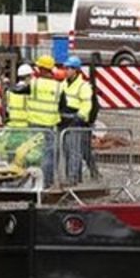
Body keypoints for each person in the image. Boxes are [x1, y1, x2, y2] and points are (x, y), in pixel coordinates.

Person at [26, 55, 61, 187]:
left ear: (41, 68)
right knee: (49, 154)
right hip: (50, 125)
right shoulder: (58, 86)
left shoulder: (33, 83)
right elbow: (63, 104)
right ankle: (47, 182)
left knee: (34, 153)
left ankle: (32, 182)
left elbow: (18, 90)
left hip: (34, 123)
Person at [59, 56, 95, 184]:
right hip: (64, 120)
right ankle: (72, 176)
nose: (66, 70)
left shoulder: (83, 86)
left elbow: (87, 105)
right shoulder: (63, 84)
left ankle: (74, 178)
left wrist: (79, 117)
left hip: (76, 121)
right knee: (67, 151)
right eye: (66, 68)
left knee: (74, 151)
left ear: (76, 70)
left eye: (69, 68)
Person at [5, 63, 34, 128]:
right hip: (27, 126)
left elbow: (7, 109)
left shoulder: (9, 92)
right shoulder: (31, 92)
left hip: (13, 125)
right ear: (28, 77)